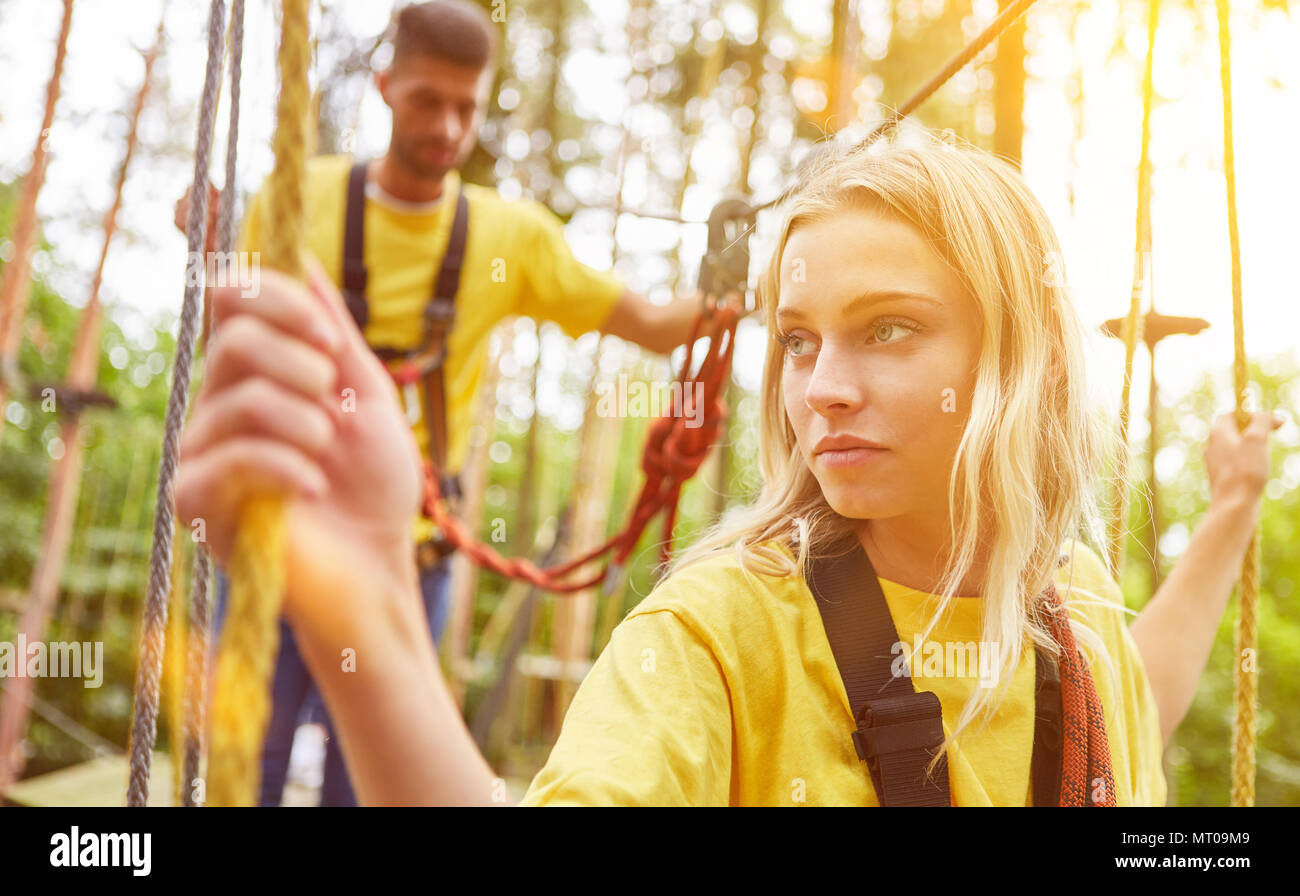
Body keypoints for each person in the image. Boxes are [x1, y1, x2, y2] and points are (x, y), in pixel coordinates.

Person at [176, 130, 1283, 806]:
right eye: (798, 339)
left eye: (887, 328)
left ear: (1024, 355)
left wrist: (1232, 506)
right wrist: (362, 593)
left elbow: (1139, 692)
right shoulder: (721, 629)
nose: (821, 388)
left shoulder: (1066, 598)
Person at [180, 0, 707, 806]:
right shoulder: (298, 198)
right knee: (241, 768)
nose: (451, 126)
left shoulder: (513, 238)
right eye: (428, 99)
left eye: (468, 106)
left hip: (410, 558)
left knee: (366, 789)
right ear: (386, 87)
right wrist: (210, 236)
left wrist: (739, 291)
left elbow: (652, 325)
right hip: (278, 538)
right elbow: (244, 317)